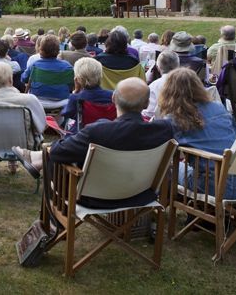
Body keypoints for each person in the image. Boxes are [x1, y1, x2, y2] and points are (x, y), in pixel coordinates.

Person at [14, 78, 173, 206]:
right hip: (141, 194)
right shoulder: (163, 130)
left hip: (95, 197)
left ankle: (38, 158)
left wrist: (51, 148)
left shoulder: (99, 131)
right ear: (146, 104)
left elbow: (58, 153)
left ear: (113, 98)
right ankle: (36, 158)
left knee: (60, 153)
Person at [157, 68, 236, 200]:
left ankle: (165, 206)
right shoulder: (218, 107)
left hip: (214, 186)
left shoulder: (174, 119)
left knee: (168, 170)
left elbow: (161, 153)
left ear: (169, 92)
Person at [61, 57, 114, 129]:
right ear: (100, 75)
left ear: (77, 79)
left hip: (84, 134)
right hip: (109, 132)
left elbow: (66, 113)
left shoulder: (77, 98)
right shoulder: (114, 96)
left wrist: (75, 92)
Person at [22, 35, 73, 104]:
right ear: (58, 50)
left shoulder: (35, 65)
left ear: (41, 50)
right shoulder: (67, 67)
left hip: (38, 100)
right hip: (60, 101)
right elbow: (72, 85)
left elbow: (23, 79)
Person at [145, 50, 180, 119]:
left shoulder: (154, 86)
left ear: (158, 68)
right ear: (178, 66)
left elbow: (149, 113)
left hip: (161, 124)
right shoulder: (189, 82)